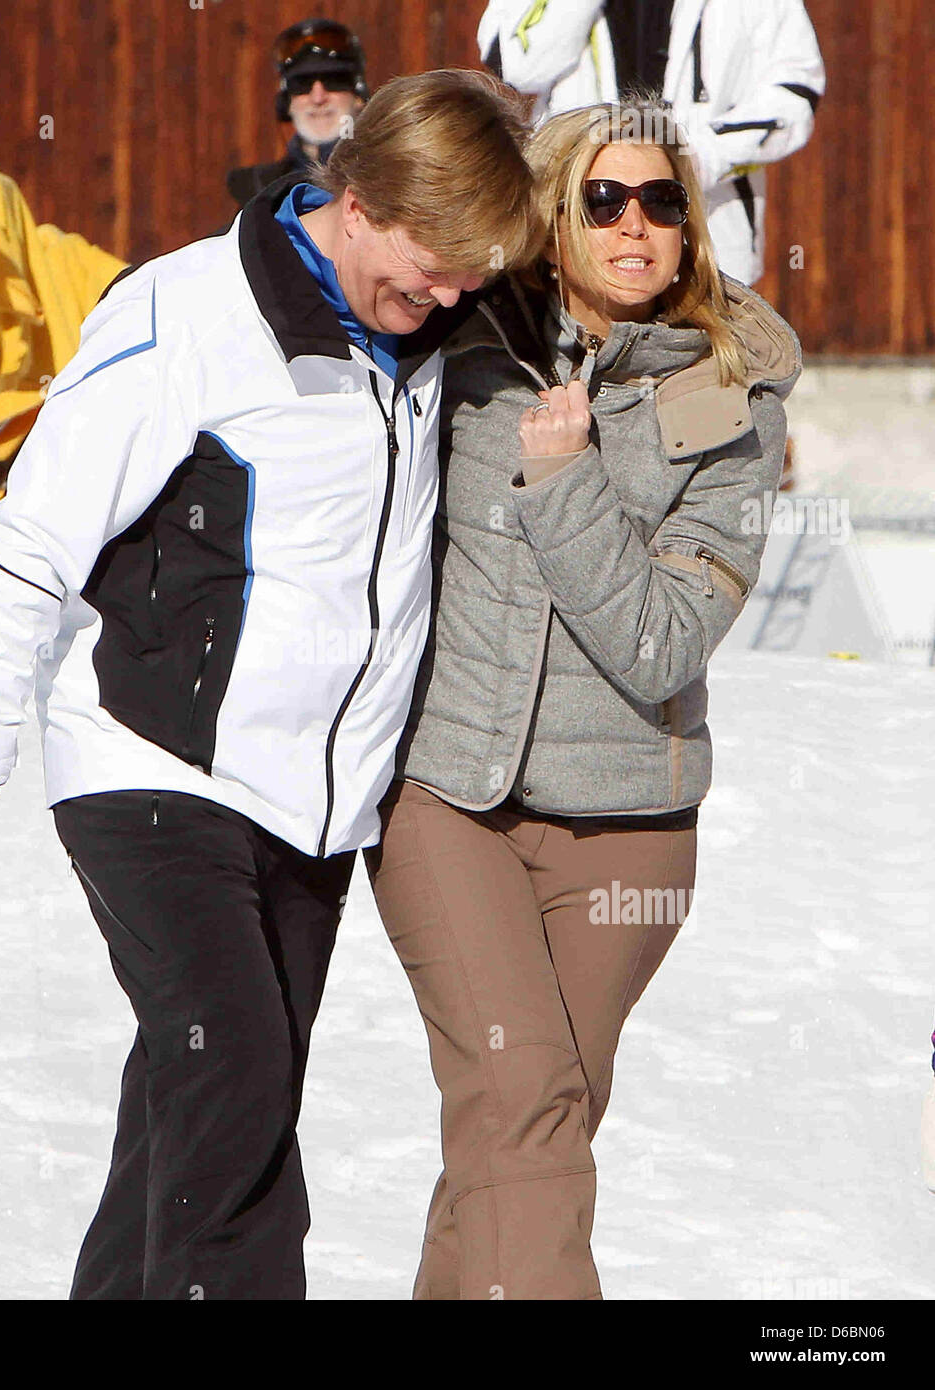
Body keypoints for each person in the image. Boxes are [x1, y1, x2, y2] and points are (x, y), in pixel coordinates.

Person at [0, 68, 538, 1301]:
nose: (445, 294)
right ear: (362, 191)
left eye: (472, 274)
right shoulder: (185, 315)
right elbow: (29, 545)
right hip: (155, 771)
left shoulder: (430, 334)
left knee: (190, 1121)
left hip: (315, 812)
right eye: (433, 259)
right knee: (233, 1105)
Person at [363, 98, 802, 1299]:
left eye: (665, 200)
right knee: (524, 1103)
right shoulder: (462, 348)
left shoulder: (728, 398)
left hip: (628, 828)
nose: (636, 224)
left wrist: (561, 487)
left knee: (525, 1140)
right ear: (552, 216)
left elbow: (663, 643)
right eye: (603, 198)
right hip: (448, 800)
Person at [476, 0, 825, 287]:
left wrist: (700, 157)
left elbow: (796, 92)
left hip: (710, 233)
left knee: (702, 362)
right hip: (579, 229)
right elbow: (513, 63)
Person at [226, 17, 368, 208]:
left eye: (334, 81)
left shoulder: (387, 177)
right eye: (302, 85)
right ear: (285, 103)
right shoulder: (257, 190)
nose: (318, 98)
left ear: (359, 96)